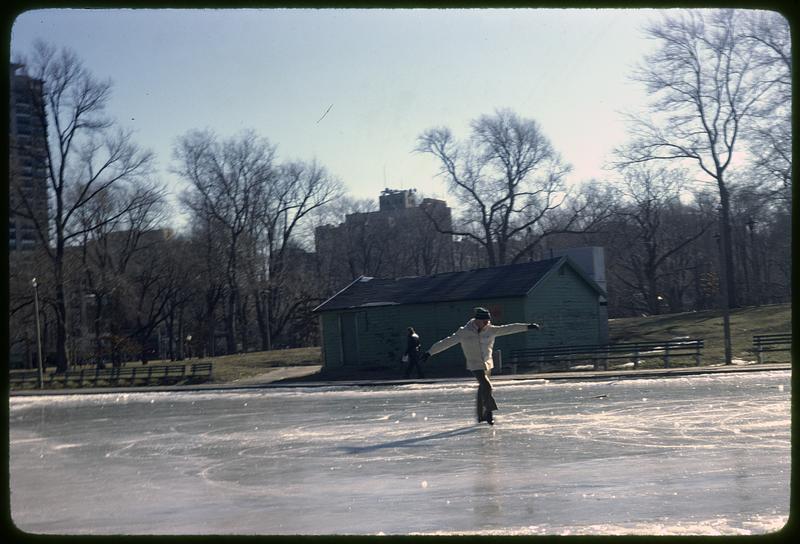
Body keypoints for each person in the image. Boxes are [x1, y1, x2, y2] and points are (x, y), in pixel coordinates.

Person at [421, 307, 540, 425]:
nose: (487, 322)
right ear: (477, 320)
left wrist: (527, 326)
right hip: (475, 364)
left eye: (488, 320)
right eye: (485, 321)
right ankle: (489, 413)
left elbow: (509, 328)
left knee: (482, 388)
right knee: (487, 386)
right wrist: (429, 352)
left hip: (487, 363)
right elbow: (446, 342)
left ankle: (480, 415)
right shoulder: (464, 332)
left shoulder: (490, 330)